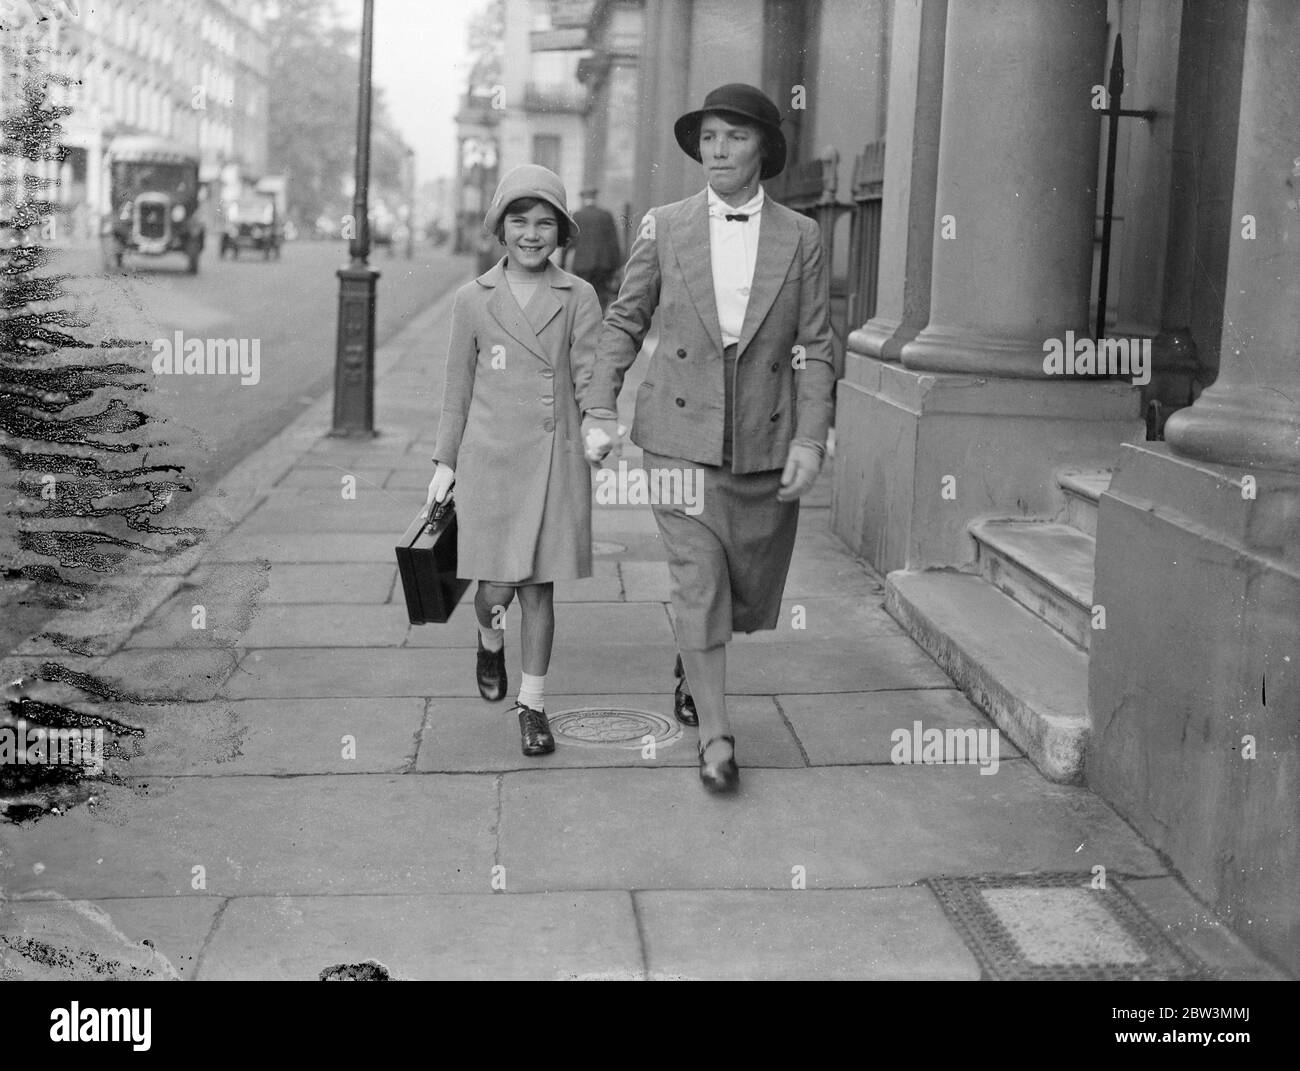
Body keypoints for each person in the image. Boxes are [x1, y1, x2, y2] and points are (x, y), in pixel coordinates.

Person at [577, 83, 836, 793]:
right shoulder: (666, 224)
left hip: (764, 439)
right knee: (699, 582)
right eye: (709, 138)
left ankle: (692, 657)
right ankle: (716, 735)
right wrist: (599, 405)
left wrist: (812, 439)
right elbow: (626, 319)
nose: (717, 151)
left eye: (735, 137)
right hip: (677, 435)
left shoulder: (802, 235)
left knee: (741, 591)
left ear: (764, 151)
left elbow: (816, 344)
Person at [427, 164, 602, 757]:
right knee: (495, 592)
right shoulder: (471, 300)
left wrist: (599, 425)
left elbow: (589, 376)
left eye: (545, 222)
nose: (532, 234)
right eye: (520, 221)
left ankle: (533, 706)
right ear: (501, 229)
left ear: (561, 231)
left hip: (553, 461)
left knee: (539, 593)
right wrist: (444, 463)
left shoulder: (579, 295)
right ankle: (487, 638)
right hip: (490, 463)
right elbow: (458, 388)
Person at [565, 187, 623, 311]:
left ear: (582, 198)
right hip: (604, 264)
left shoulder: (578, 215)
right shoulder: (606, 215)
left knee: (582, 294)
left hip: (582, 264)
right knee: (601, 294)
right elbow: (614, 242)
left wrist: (562, 262)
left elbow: (569, 242)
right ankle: (599, 319)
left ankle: (585, 320)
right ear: (595, 198)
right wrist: (617, 266)